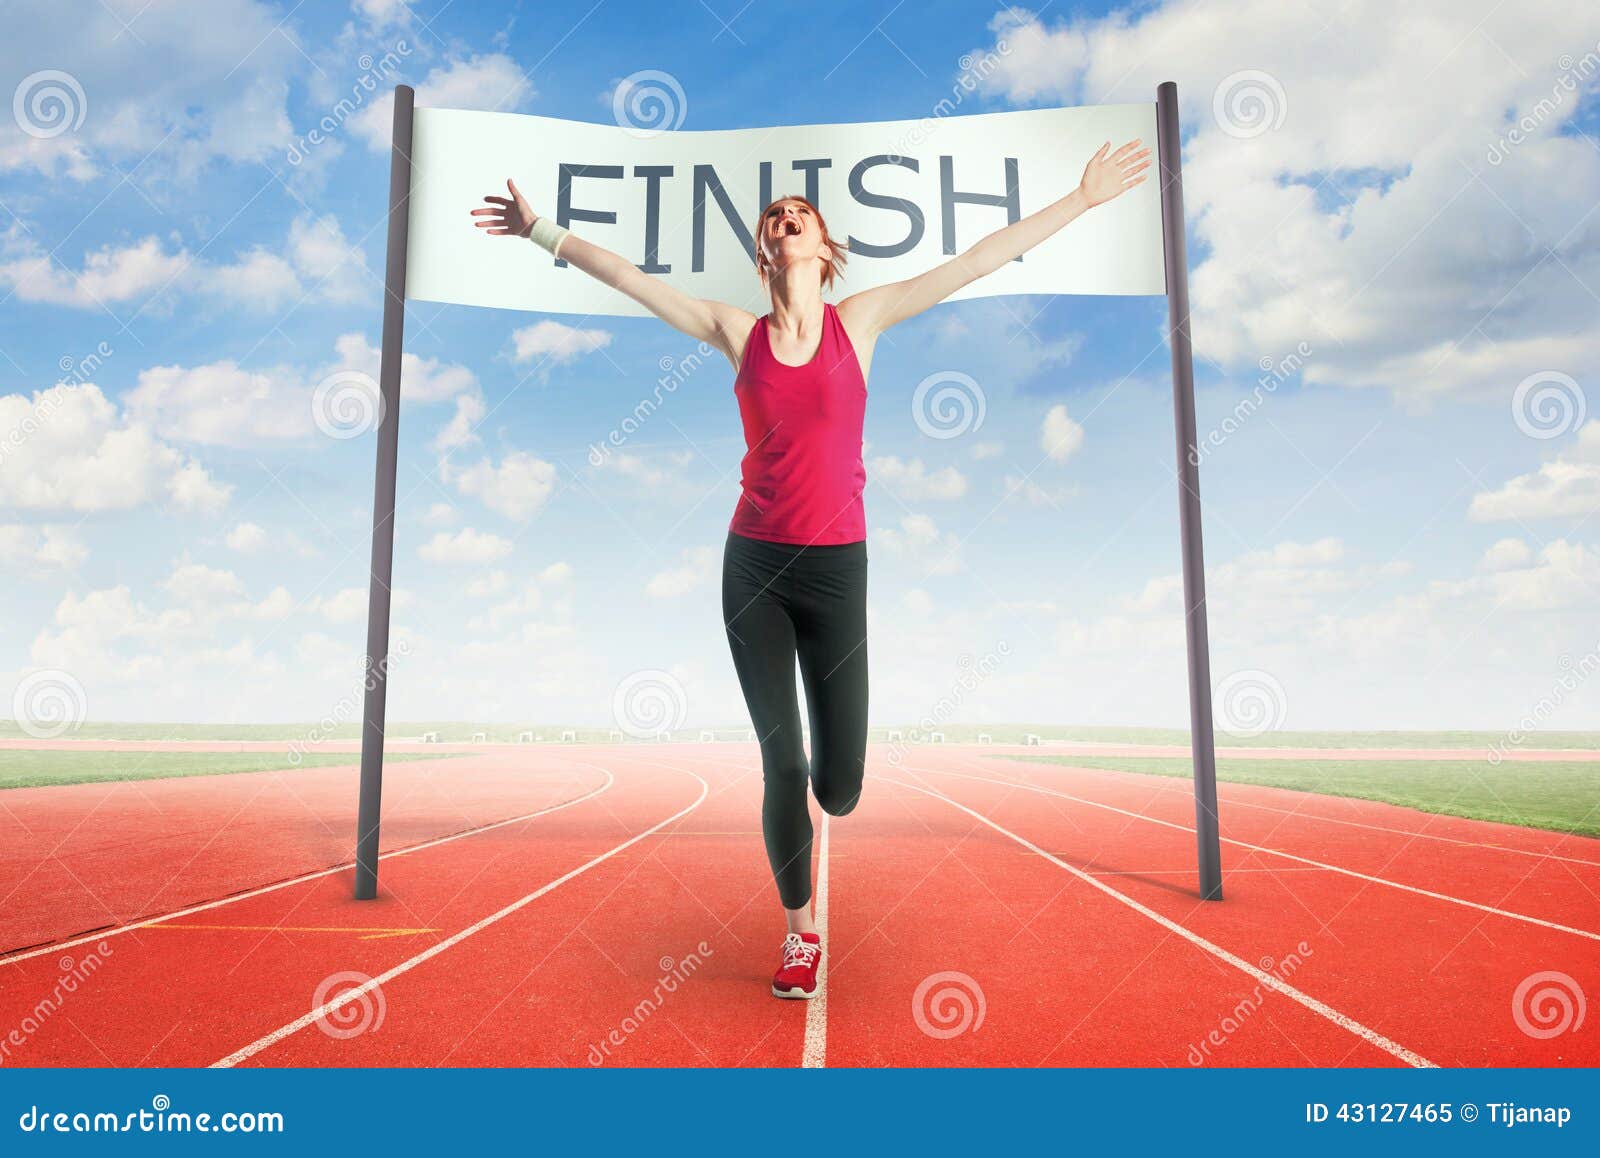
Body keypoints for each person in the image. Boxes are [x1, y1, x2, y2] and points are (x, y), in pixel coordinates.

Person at [470, 137, 1151, 999]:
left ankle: (835, 800)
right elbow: (631, 280)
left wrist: (1083, 199)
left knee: (840, 787)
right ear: (766, 250)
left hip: (837, 574)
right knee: (784, 768)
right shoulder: (736, 332)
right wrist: (540, 230)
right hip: (753, 567)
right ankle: (801, 934)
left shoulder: (859, 321)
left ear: (825, 248)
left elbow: (977, 260)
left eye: (801, 214)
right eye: (775, 216)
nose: (787, 218)